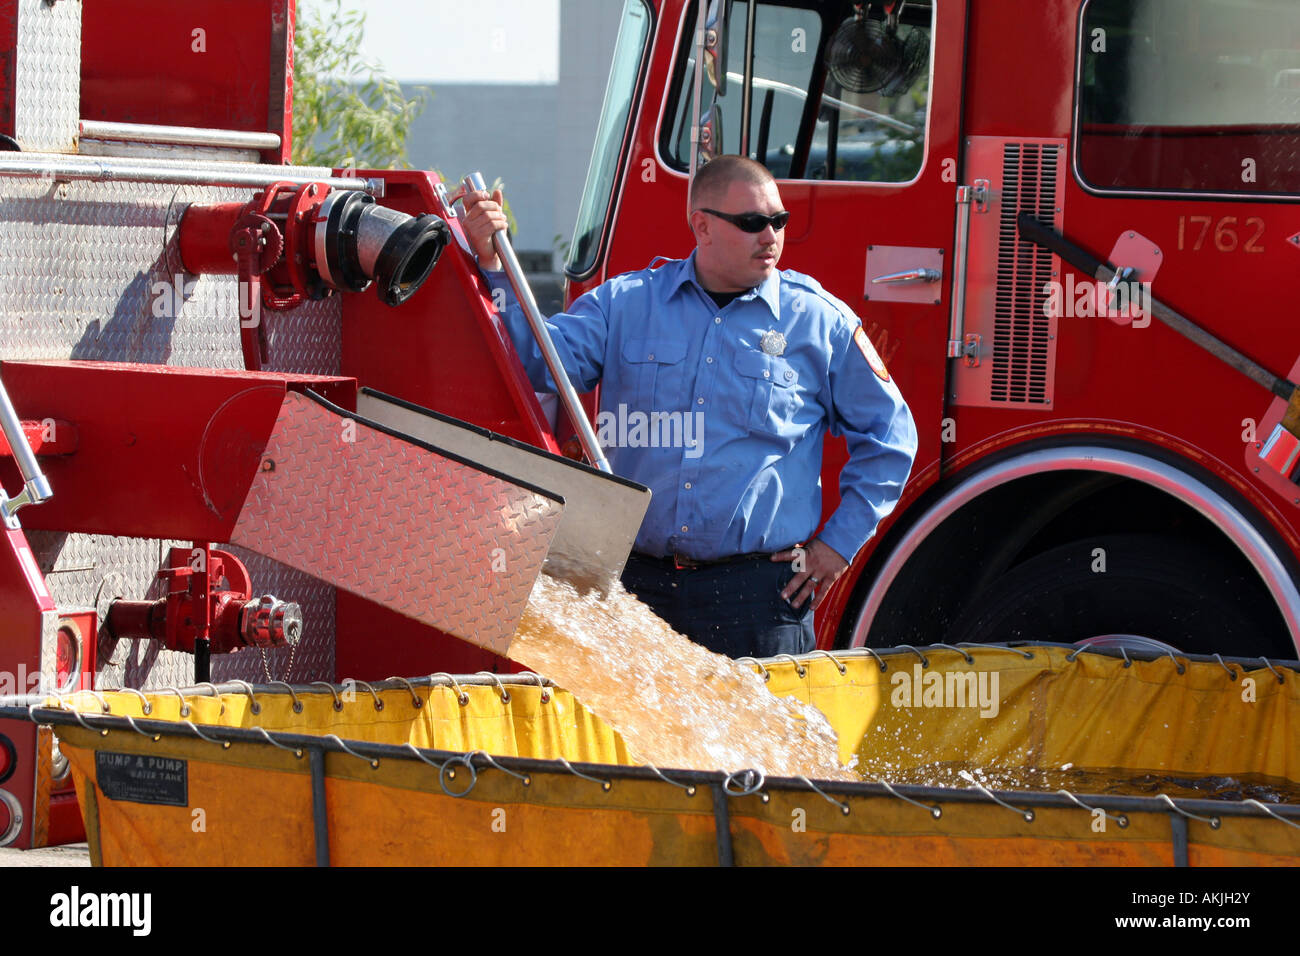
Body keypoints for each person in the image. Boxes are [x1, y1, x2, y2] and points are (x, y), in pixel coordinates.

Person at [462, 155, 917, 658]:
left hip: (759, 602)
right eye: (752, 223)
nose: (771, 236)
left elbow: (890, 437)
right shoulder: (625, 303)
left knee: (757, 742)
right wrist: (493, 267)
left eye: (778, 221)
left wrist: (836, 546)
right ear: (700, 225)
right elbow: (535, 364)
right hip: (635, 591)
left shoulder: (819, 322)